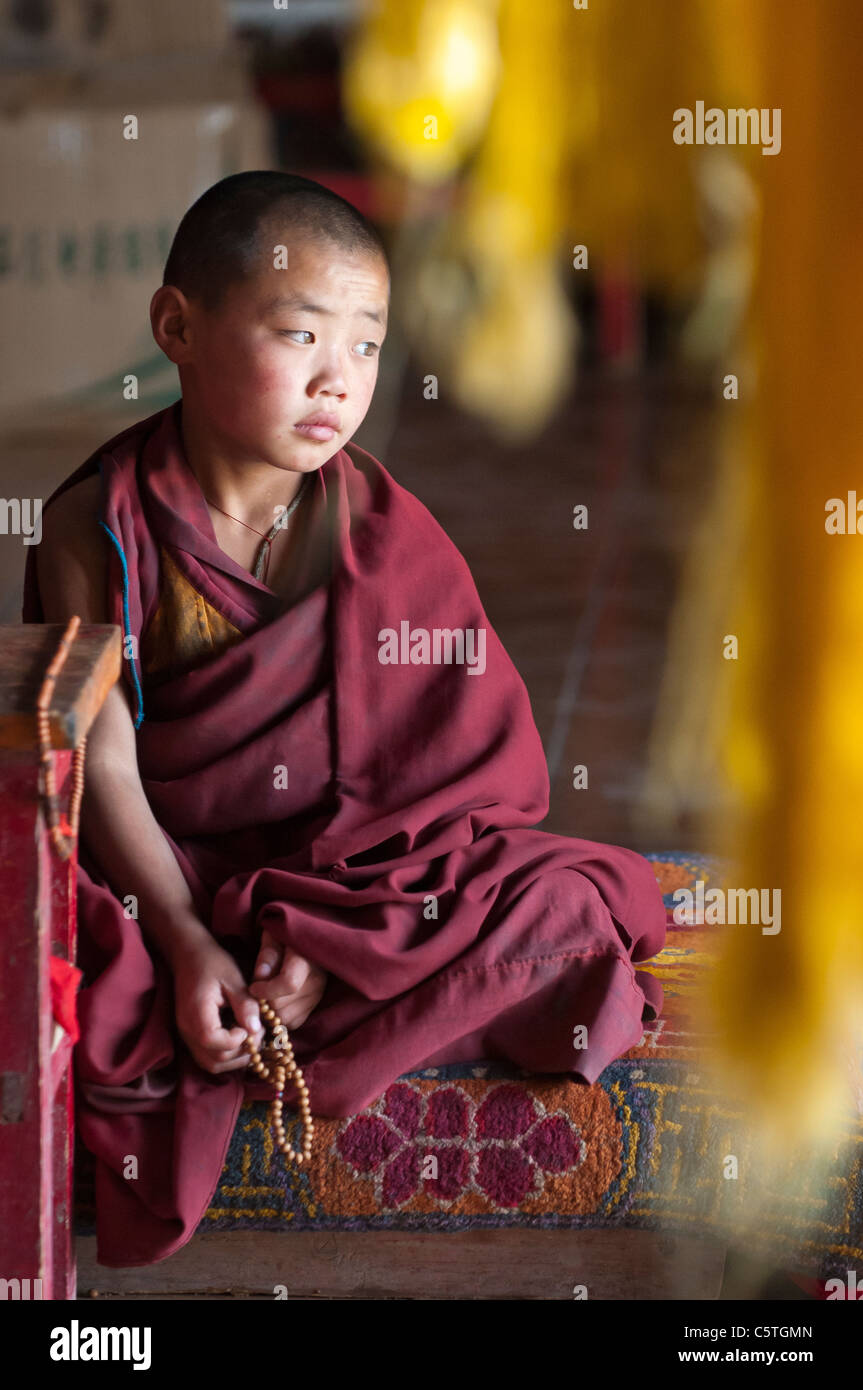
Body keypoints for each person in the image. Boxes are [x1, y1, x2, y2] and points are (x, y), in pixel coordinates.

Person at [23, 171, 667, 1267]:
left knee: (565, 901)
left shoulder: (379, 528)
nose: (338, 381)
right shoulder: (100, 527)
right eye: (300, 334)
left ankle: (315, 989)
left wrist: (325, 941)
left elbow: (452, 788)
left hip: (362, 888)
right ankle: (286, 992)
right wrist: (183, 941)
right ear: (177, 327)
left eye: (366, 346)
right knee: (73, 953)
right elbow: (102, 758)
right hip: (172, 871)